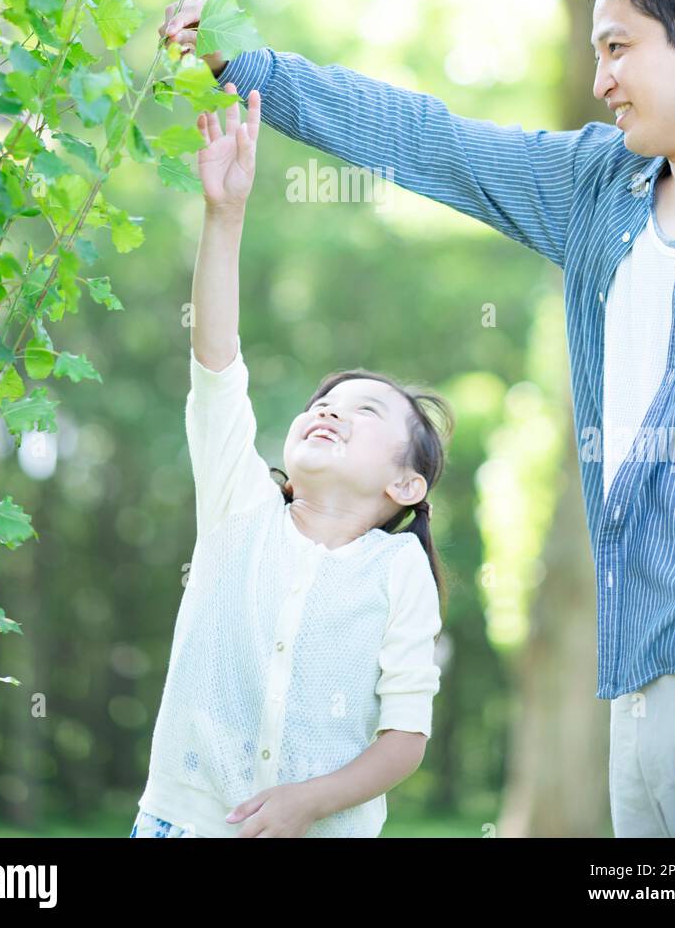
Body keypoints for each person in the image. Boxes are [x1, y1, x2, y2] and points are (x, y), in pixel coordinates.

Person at [159, 0, 675, 839]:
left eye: (618, 48)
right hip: (632, 667)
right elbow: (426, 140)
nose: (600, 78)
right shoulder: (595, 188)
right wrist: (249, 66)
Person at [131, 84, 455, 839]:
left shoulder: (397, 571)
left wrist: (310, 802)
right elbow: (215, 361)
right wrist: (224, 214)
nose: (330, 410)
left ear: (404, 483)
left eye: (365, 410)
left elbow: (404, 739)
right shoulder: (238, 507)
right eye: (323, 404)